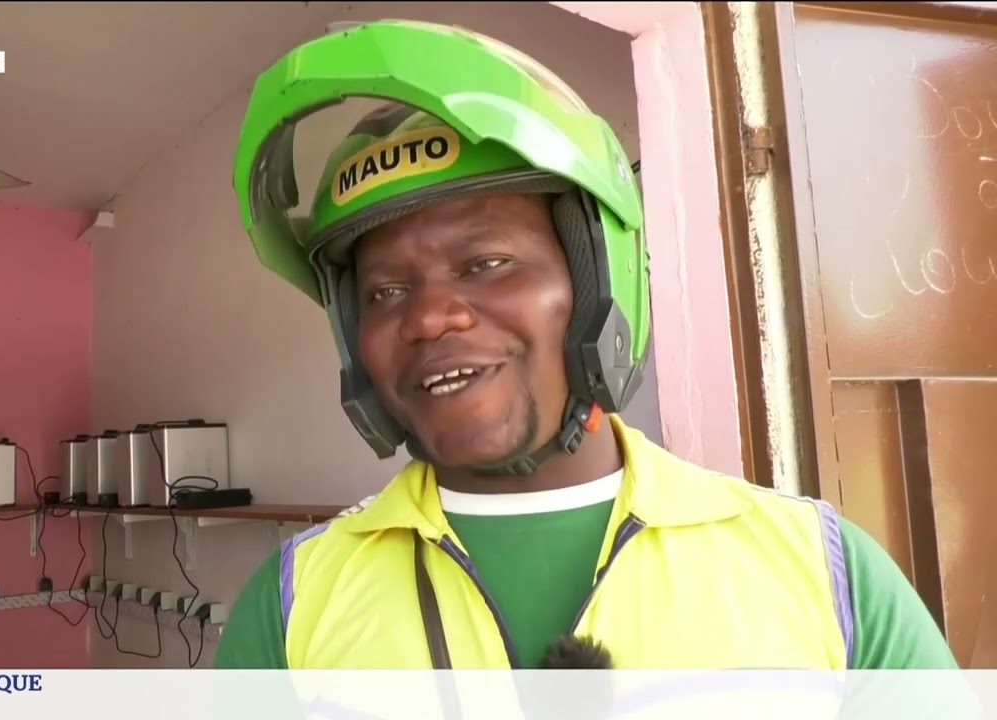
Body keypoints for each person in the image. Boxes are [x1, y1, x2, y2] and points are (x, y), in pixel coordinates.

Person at [215, 19, 959, 672]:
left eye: (486, 264)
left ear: (598, 281)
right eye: (384, 293)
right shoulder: (291, 607)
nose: (431, 317)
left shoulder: (826, 576)